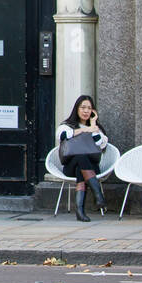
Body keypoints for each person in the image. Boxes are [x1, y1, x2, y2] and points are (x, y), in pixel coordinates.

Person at [58, 94, 108, 222]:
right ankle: (98, 195)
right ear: (77, 109)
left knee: (81, 163)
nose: (86, 111)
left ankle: (80, 211)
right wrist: (84, 130)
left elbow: (101, 144)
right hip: (70, 167)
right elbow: (62, 136)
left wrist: (93, 127)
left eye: (89, 108)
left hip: (91, 168)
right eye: (83, 107)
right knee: (80, 158)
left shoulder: (96, 128)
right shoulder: (67, 126)